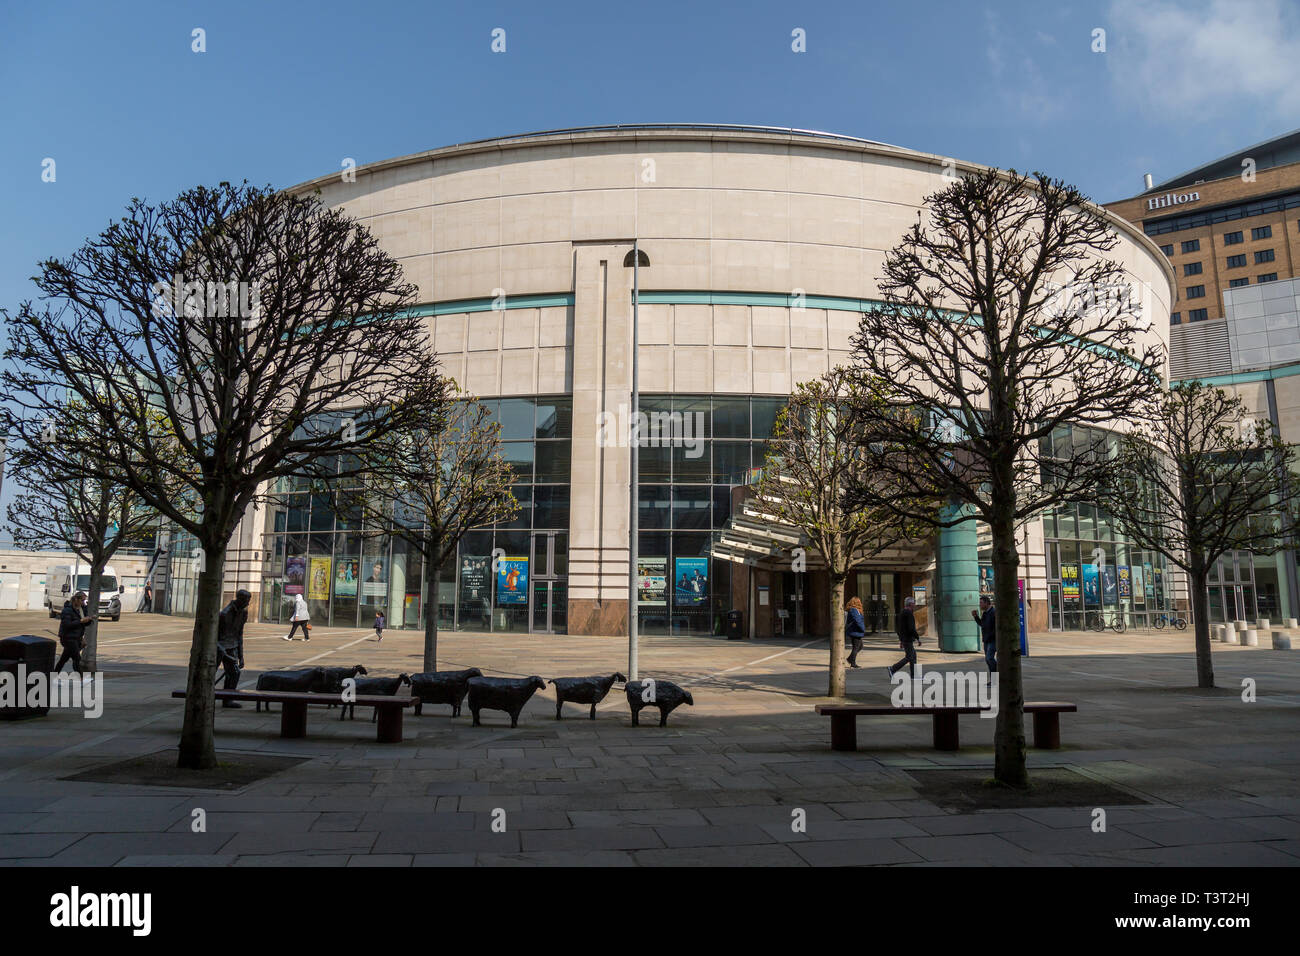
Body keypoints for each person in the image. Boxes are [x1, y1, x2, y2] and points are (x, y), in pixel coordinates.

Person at [216, 589, 251, 707]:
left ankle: (228, 700)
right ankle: (204, 694)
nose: (248, 603)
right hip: (219, 647)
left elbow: (239, 634)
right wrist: (223, 653)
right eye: (246, 600)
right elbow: (214, 637)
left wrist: (241, 657)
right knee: (210, 674)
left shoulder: (243, 613)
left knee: (234, 673)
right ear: (239, 599)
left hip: (232, 647)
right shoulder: (225, 614)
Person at [56, 591, 96, 675]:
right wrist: (81, 621)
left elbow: (83, 624)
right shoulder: (67, 610)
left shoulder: (82, 609)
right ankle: (82, 678)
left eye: (85, 600)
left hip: (76, 638)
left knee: (63, 660)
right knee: (77, 658)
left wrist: (89, 620)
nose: (83, 602)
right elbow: (67, 625)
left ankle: (51, 678)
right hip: (68, 638)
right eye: (82, 600)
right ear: (76, 599)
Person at [886, 596, 921, 680]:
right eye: (914, 603)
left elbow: (899, 628)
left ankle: (914, 675)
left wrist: (901, 640)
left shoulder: (902, 612)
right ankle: (893, 668)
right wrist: (918, 638)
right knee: (909, 657)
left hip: (904, 638)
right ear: (911, 604)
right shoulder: (909, 613)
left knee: (913, 656)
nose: (915, 605)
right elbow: (911, 628)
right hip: (908, 639)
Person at [973, 595, 997, 672]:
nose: (980, 605)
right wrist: (976, 617)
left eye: (981, 603)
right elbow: (982, 624)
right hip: (986, 640)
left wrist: (991, 635)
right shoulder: (985, 613)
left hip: (992, 640)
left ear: (987, 603)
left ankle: (997, 675)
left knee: (989, 658)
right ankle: (994, 680)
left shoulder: (993, 613)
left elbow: (996, 627)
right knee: (988, 660)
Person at [845, 596, 867, 668]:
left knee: (860, 646)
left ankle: (850, 659)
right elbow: (857, 621)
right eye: (859, 601)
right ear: (857, 602)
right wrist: (863, 628)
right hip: (855, 631)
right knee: (856, 647)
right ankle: (852, 663)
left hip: (856, 631)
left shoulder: (855, 610)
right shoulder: (854, 610)